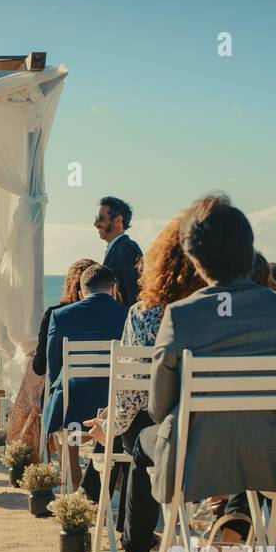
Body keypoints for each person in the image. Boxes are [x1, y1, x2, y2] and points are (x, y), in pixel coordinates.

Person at [108, 195, 276, 552]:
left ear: (196, 258)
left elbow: (159, 409)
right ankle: (233, 523)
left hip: (195, 454)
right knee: (248, 444)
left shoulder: (183, 315)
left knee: (143, 445)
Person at [85, 216, 204, 516]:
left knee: (140, 435)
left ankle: (132, 545)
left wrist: (108, 428)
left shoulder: (144, 314)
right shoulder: (222, 312)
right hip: (222, 434)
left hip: (166, 431)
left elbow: (132, 393)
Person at [41, 264, 129, 489]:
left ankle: (72, 481)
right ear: (114, 290)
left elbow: (54, 367)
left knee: (61, 399)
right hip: (115, 407)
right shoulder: (129, 315)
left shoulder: (60, 316)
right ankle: (112, 481)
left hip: (73, 408)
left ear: (81, 293)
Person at [6, 258, 96, 452]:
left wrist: (42, 350)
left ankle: (38, 450)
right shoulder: (111, 318)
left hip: (68, 404)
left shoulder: (56, 314)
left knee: (34, 374)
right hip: (104, 401)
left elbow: (41, 367)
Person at [97, 196, 143, 306]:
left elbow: (135, 294)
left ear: (118, 220)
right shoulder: (118, 248)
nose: (95, 223)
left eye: (100, 218)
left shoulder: (127, 248)